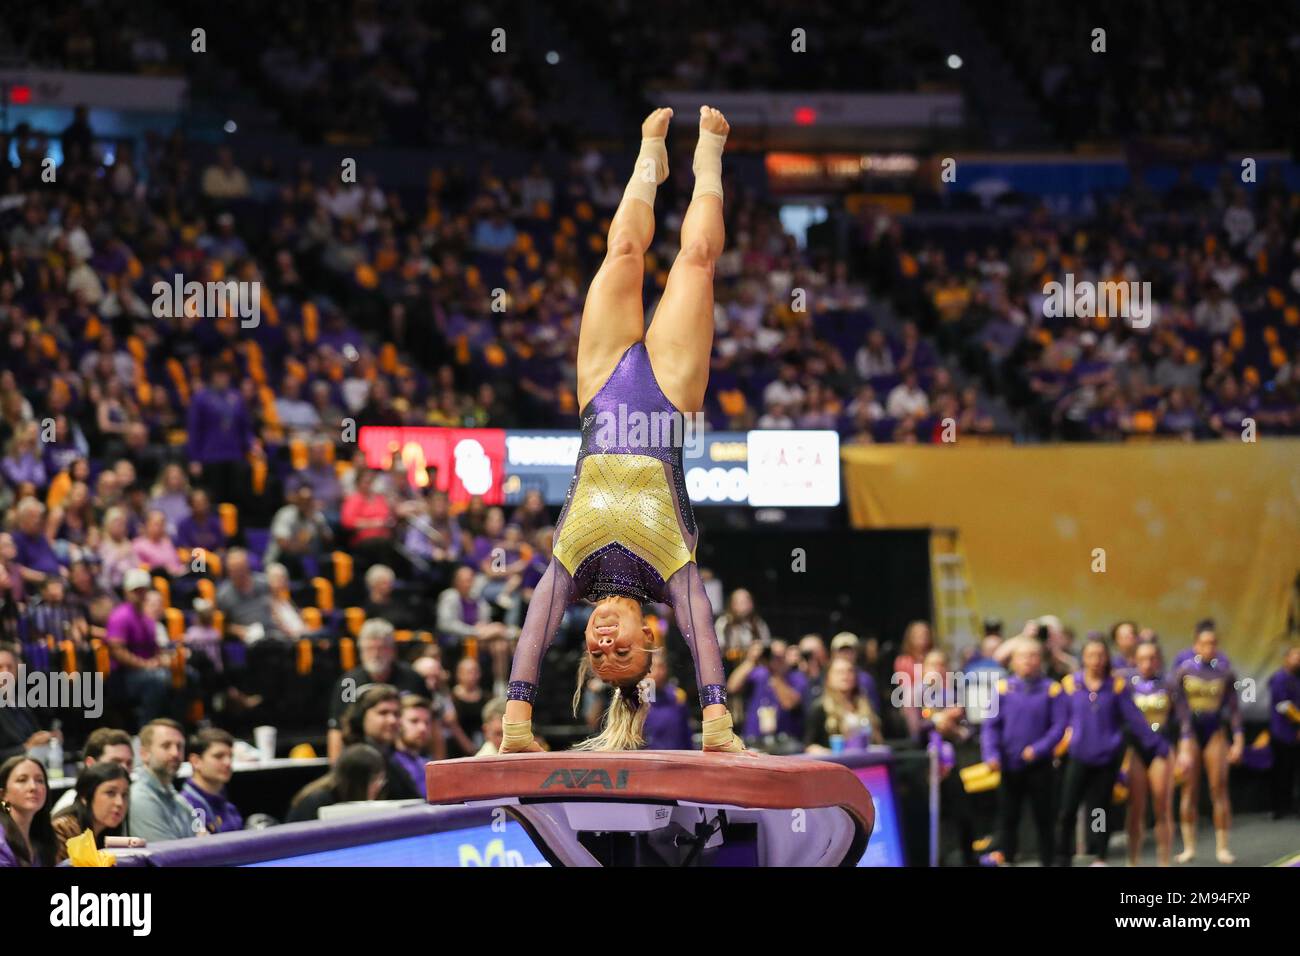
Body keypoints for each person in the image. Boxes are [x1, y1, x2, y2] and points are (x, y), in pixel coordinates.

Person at [500, 107, 747, 754]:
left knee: (623, 251)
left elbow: (530, 634)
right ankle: (706, 164)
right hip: (668, 397)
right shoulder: (673, 574)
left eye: (597, 653)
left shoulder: (569, 570)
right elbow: (704, 633)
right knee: (695, 262)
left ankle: (648, 157)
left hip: (601, 390)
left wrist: (516, 724)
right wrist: (716, 720)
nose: (605, 642)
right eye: (622, 653)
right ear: (648, 639)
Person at [1056, 637, 1169, 866]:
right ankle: (1062, 857)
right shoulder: (1069, 684)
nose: (1096, 660)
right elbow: (1058, 720)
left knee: (1100, 811)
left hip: (1106, 759)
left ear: (1106, 657)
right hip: (1078, 756)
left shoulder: (1116, 686)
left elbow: (1135, 719)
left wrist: (1158, 745)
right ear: (1083, 658)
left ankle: (1100, 855)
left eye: (1100, 655)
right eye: (1091, 655)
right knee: (1067, 809)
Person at [980, 642, 1066, 867]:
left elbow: (1059, 726)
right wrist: (991, 754)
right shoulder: (1001, 689)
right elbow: (990, 726)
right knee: (1008, 819)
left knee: (1045, 819)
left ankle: (1049, 861)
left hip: (1040, 766)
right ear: (1013, 661)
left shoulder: (1052, 689)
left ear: (1041, 660)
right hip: (1009, 765)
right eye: (1023, 656)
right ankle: (1007, 859)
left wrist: (1038, 749)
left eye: (1033, 655)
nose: (1028, 660)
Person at [1170, 623, 1243, 864]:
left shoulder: (1225, 671)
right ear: (1195, 646)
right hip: (1190, 731)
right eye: (1204, 643)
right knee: (1189, 790)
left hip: (1214, 731)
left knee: (1218, 788)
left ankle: (1222, 847)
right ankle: (1189, 847)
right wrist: (1183, 738)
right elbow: (1178, 707)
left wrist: (1239, 738)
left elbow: (1233, 708)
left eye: (1213, 643)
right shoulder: (1184, 670)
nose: (1209, 647)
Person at [326, 618, 425, 761]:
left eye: (381, 648)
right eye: (370, 648)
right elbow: (336, 731)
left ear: (392, 650)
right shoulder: (349, 682)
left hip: (408, 755)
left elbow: (432, 723)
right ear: (360, 651)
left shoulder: (412, 678)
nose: (376, 654)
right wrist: (336, 772)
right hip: (361, 755)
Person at [1125, 641, 1178, 866]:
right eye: (1142, 659)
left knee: (1162, 807)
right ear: (1134, 661)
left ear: (1158, 660)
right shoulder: (1126, 686)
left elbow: (1182, 718)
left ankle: (1163, 862)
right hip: (1136, 749)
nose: (1147, 664)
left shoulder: (1169, 684)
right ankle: (1133, 861)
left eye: (1152, 658)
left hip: (1161, 747)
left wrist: (1183, 746)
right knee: (1136, 808)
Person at [105, 570, 172, 728]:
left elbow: (156, 648)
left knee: (186, 675)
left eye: (143, 590)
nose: (140, 594)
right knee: (157, 679)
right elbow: (116, 650)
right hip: (122, 676)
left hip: (144, 670)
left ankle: (172, 725)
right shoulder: (120, 616)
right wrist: (145, 665)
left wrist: (162, 659)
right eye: (136, 590)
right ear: (127, 592)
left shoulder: (146, 617)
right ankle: (146, 729)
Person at [340, 683, 421, 800]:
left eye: (397, 714)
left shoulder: (392, 762)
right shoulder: (355, 762)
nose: (392, 720)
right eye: (383, 713)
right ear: (360, 717)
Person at [128, 718, 197, 843]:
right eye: (166, 746)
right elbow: (169, 857)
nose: (175, 753)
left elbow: (204, 843)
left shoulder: (178, 799)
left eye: (179, 746)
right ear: (144, 754)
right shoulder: (139, 798)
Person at [727, 638, 807, 744]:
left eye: (779, 656)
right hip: (753, 739)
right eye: (771, 655)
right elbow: (732, 687)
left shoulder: (796, 677)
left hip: (784, 741)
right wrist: (751, 660)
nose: (774, 659)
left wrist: (775, 674)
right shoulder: (759, 673)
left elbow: (789, 703)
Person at [51, 761, 130, 863]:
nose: (120, 803)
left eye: (124, 795)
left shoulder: (107, 833)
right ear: (85, 796)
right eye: (110, 793)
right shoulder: (62, 829)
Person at [286, 743, 387, 823]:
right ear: (358, 781)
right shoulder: (317, 802)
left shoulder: (345, 796)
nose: (379, 785)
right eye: (376, 779)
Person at [805, 657, 882, 753]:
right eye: (839, 672)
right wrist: (826, 753)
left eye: (850, 671)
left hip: (867, 762)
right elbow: (810, 745)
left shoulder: (866, 704)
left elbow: (877, 740)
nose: (845, 675)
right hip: (837, 764)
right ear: (828, 678)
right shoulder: (820, 708)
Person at [50, 727, 133, 816]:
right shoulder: (70, 808)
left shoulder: (126, 800)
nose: (124, 769)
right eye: (115, 762)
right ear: (91, 764)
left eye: (129, 763)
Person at [180, 728, 244, 834]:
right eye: (218, 756)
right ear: (195, 761)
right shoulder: (184, 808)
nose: (228, 762)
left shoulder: (230, 808)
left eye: (230, 756)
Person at [0, 755, 54, 866]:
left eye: (39, 780)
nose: (33, 787)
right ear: (3, 794)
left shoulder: (41, 836)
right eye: (22, 780)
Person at [1268, 645, 1300, 819]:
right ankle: (1278, 808)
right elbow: (1284, 706)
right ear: (1287, 658)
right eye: (1296, 655)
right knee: (1280, 771)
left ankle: (1291, 805)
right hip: (1281, 733)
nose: (1299, 659)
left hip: (1295, 734)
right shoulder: (1279, 678)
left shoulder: (1297, 679)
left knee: (1294, 772)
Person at [391, 694, 440, 799]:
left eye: (427, 723)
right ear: (398, 723)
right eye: (414, 721)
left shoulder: (425, 763)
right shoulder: (390, 763)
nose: (423, 728)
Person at [713, 587, 771, 658]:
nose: (746, 605)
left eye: (748, 601)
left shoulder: (758, 622)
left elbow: (767, 644)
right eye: (742, 602)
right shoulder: (723, 622)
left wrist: (759, 647)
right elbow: (718, 649)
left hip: (755, 663)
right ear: (733, 604)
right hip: (730, 663)